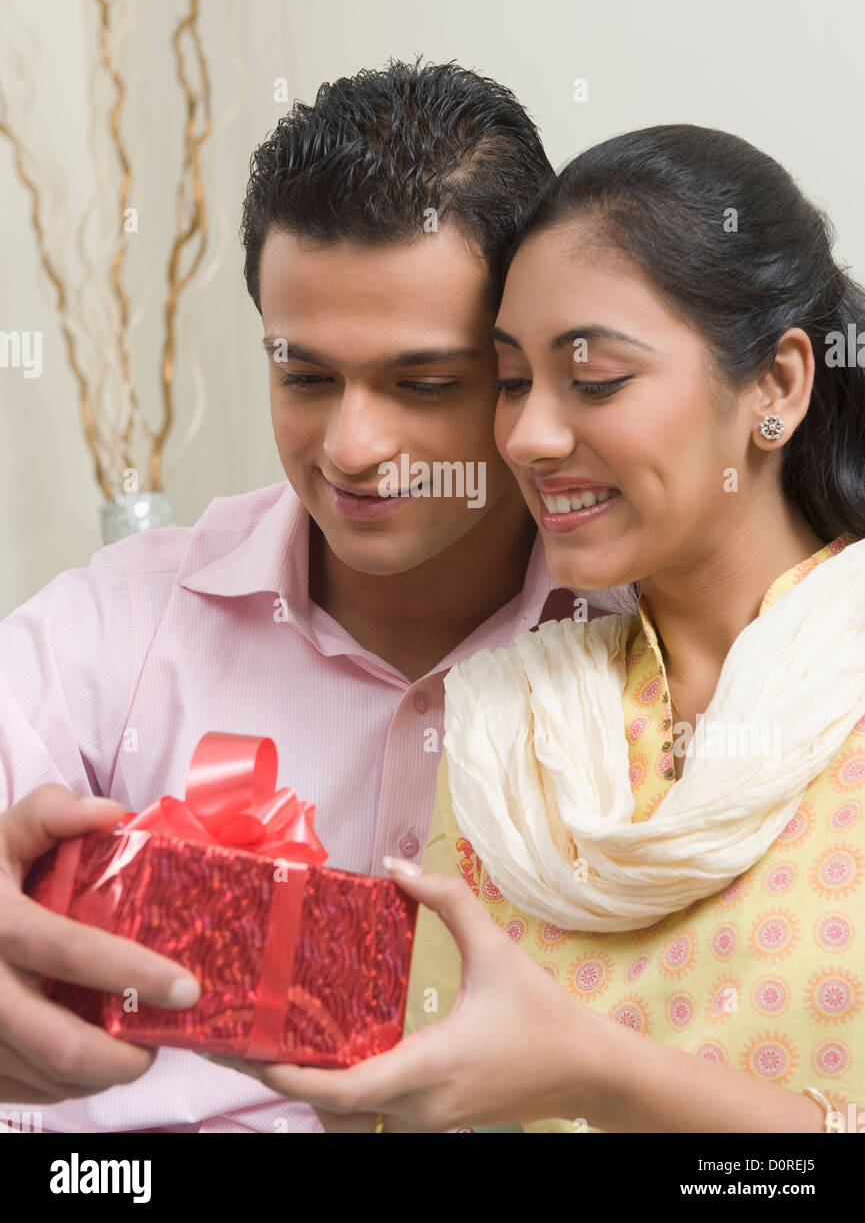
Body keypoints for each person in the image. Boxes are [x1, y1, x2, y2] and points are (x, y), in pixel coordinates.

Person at [0, 60, 631, 1133]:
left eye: (422, 384)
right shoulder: (121, 626)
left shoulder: (648, 648)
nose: (351, 447)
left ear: (527, 369)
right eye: (304, 377)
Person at [211, 124, 865, 1133]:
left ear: (774, 385)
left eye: (593, 381)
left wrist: (596, 1075)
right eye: (513, 382)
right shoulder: (513, 732)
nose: (528, 436)